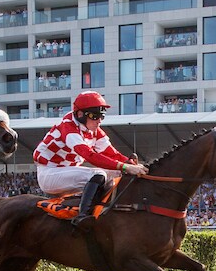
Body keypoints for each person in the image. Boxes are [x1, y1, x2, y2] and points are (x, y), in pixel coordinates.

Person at [33, 91, 148, 231]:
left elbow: (110, 152)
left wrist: (128, 163)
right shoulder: (68, 127)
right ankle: (83, 216)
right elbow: (89, 156)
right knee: (98, 174)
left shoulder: (93, 129)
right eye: (95, 116)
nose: (99, 121)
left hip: (66, 171)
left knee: (116, 173)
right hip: (49, 173)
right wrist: (124, 166)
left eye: (102, 116)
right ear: (80, 115)